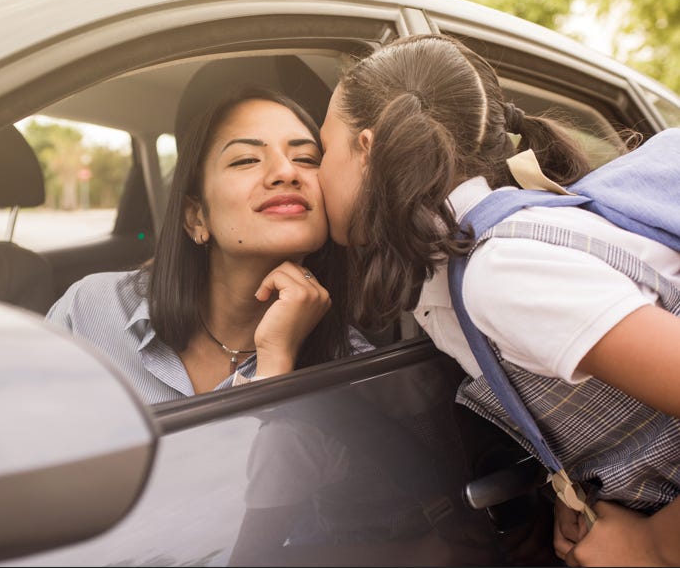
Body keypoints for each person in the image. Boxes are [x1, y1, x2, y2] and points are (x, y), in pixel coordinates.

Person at [315, 33, 680, 566]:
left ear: (367, 151)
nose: (313, 172)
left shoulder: (502, 274)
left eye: (323, 149)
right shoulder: (474, 260)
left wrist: (656, 545)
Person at [47, 85, 369, 404]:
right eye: (246, 160)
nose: (286, 171)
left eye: (306, 158)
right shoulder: (90, 311)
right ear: (196, 217)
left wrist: (276, 361)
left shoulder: (358, 368)